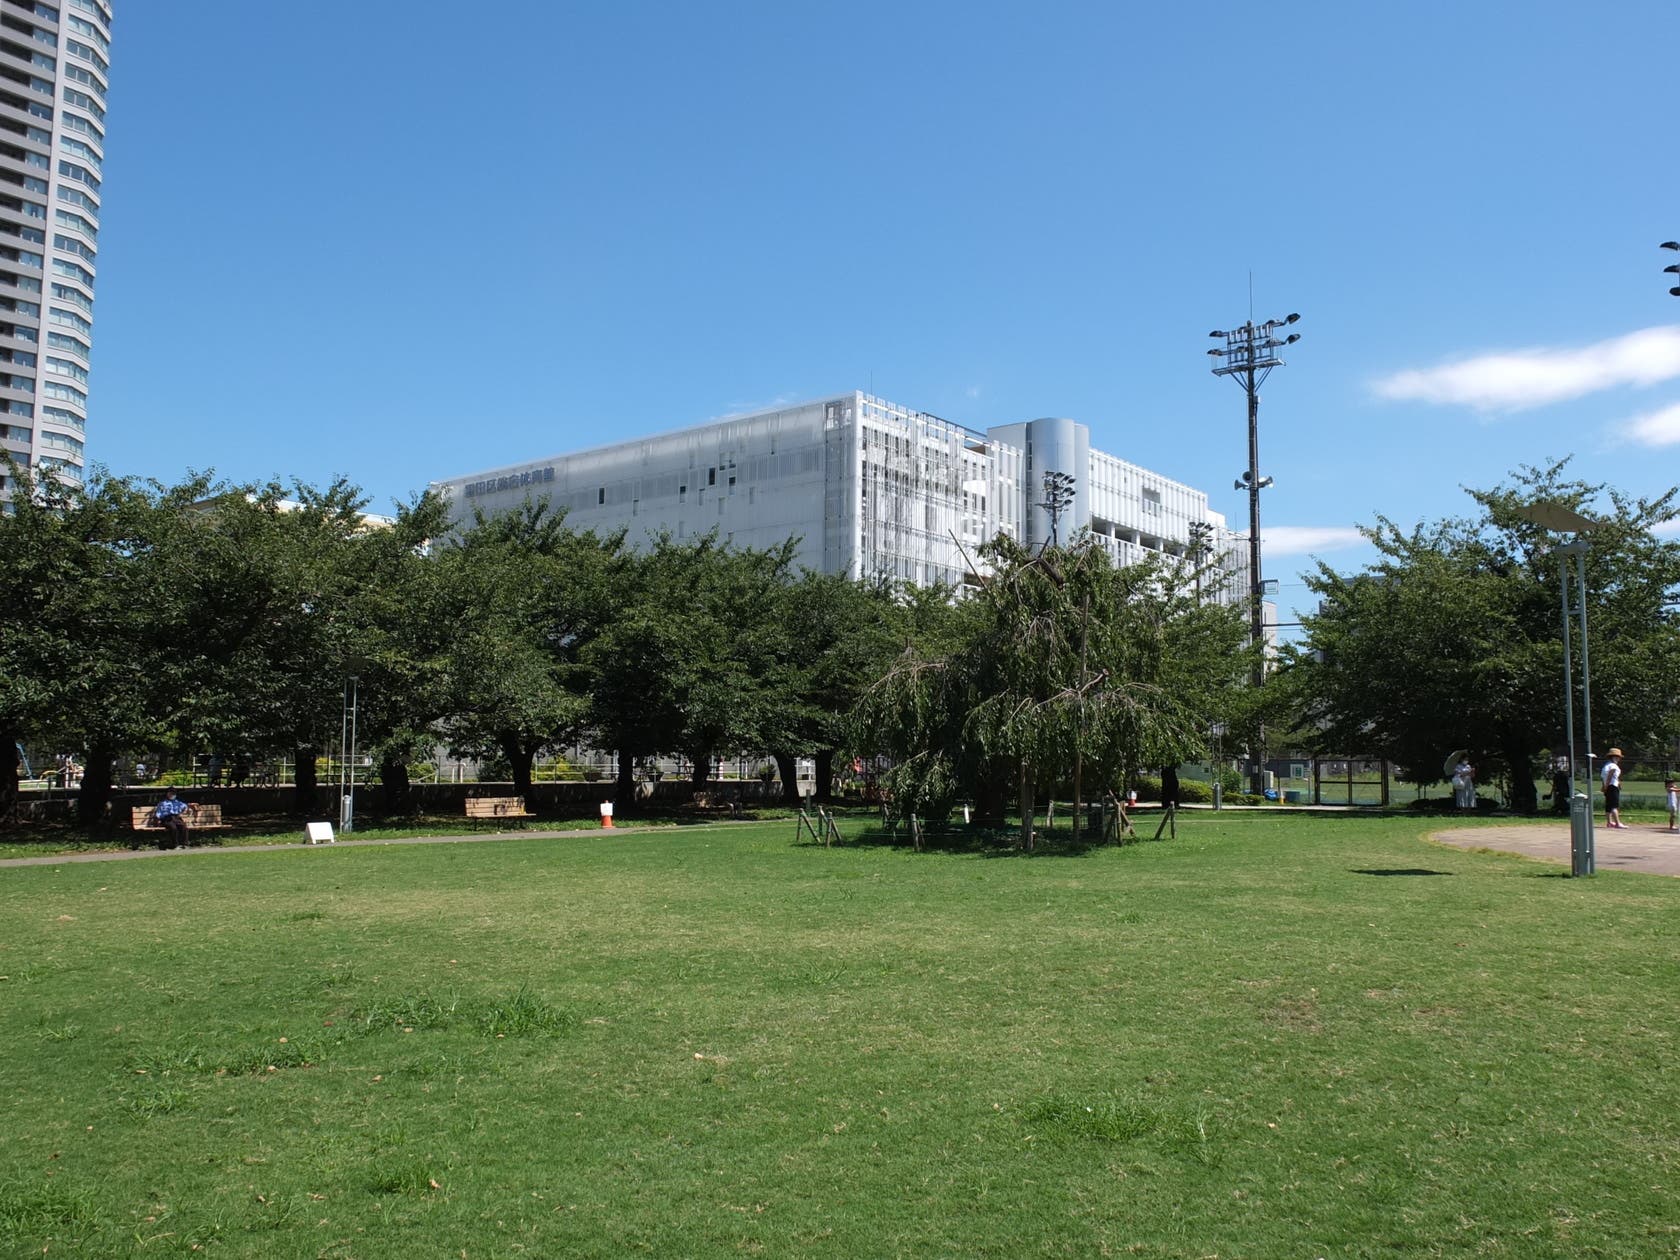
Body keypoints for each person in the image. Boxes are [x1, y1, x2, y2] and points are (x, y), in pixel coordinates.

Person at [1601, 748, 1624, 829]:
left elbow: (1605, 777)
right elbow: (1611, 775)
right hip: (1612, 787)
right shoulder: (1613, 766)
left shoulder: (1605, 766)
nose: (1619, 759)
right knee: (1614, 805)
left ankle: (1609, 822)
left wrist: (1604, 787)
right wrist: (1606, 786)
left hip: (1608, 786)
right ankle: (1617, 823)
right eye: (1617, 757)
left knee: (1608, 806)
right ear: (1613, 757)